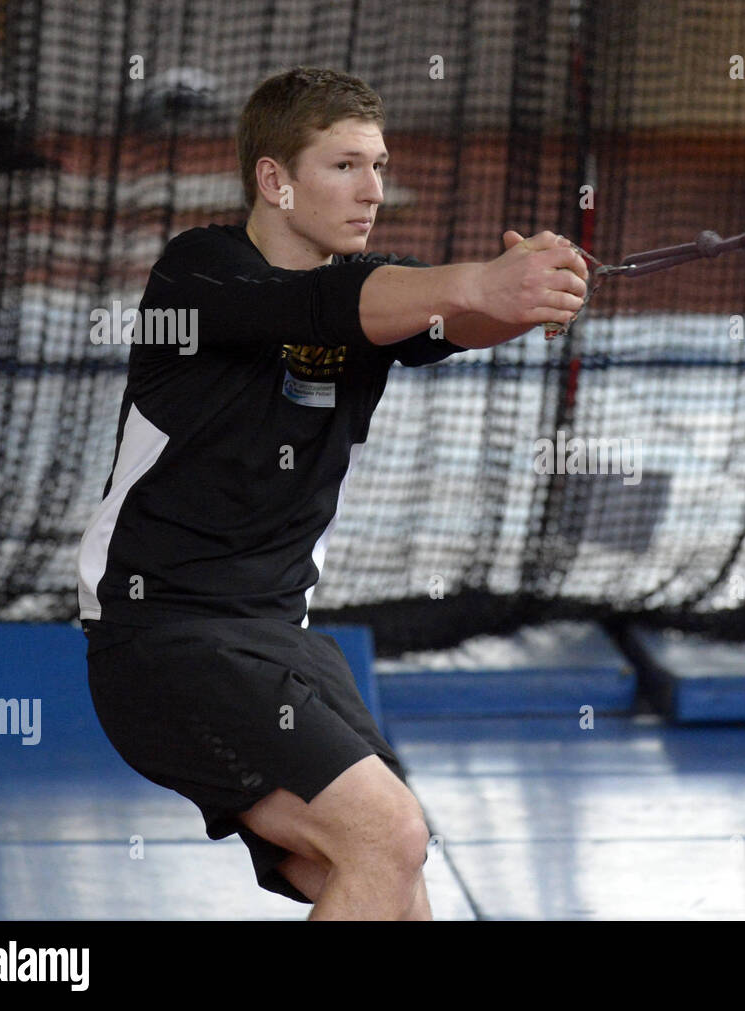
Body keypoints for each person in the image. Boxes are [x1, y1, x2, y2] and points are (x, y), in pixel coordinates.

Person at [76, 66, 587, 920]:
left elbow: (445, 320)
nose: (374, 190)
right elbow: (322, 306)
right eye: (346, 166)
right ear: (275, 180)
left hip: (281, 636)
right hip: (164, 637)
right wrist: (477, 282)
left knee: (392, 877)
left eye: (379, 166)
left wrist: (527, 294)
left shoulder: (373, 296)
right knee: (387, 834)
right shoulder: (198, 275)